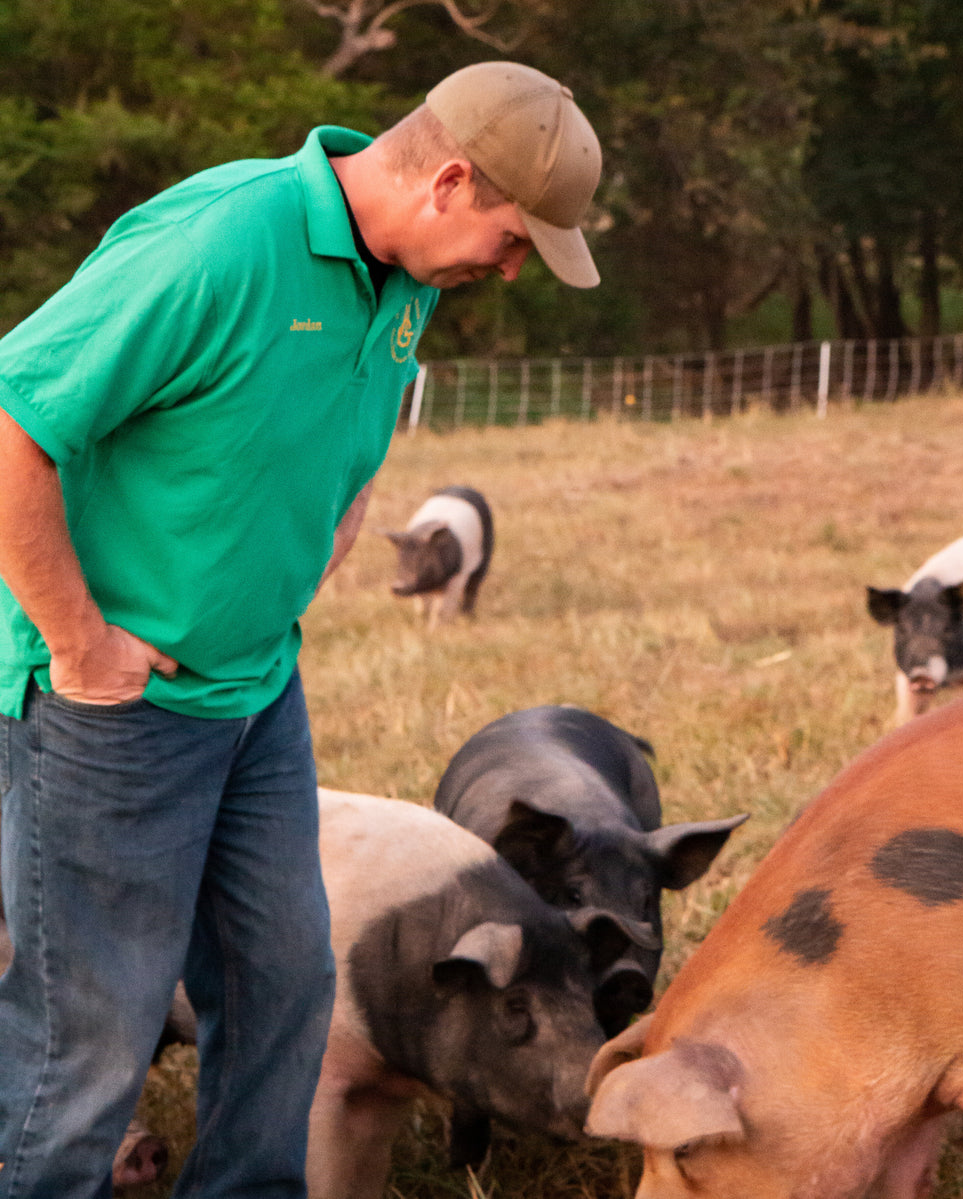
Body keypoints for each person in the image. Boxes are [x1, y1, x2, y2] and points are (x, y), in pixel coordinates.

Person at [0, 60, 601, 1198]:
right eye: (516, 239)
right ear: (453, 182)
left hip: (257, 696)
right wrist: (80, 643)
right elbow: (13, 423)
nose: (512, 268)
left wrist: (319, 535)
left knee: (283, 989)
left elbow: (343, 430)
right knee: (88, 1043)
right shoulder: (222, 246)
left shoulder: (405, 277)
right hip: (112, 714)